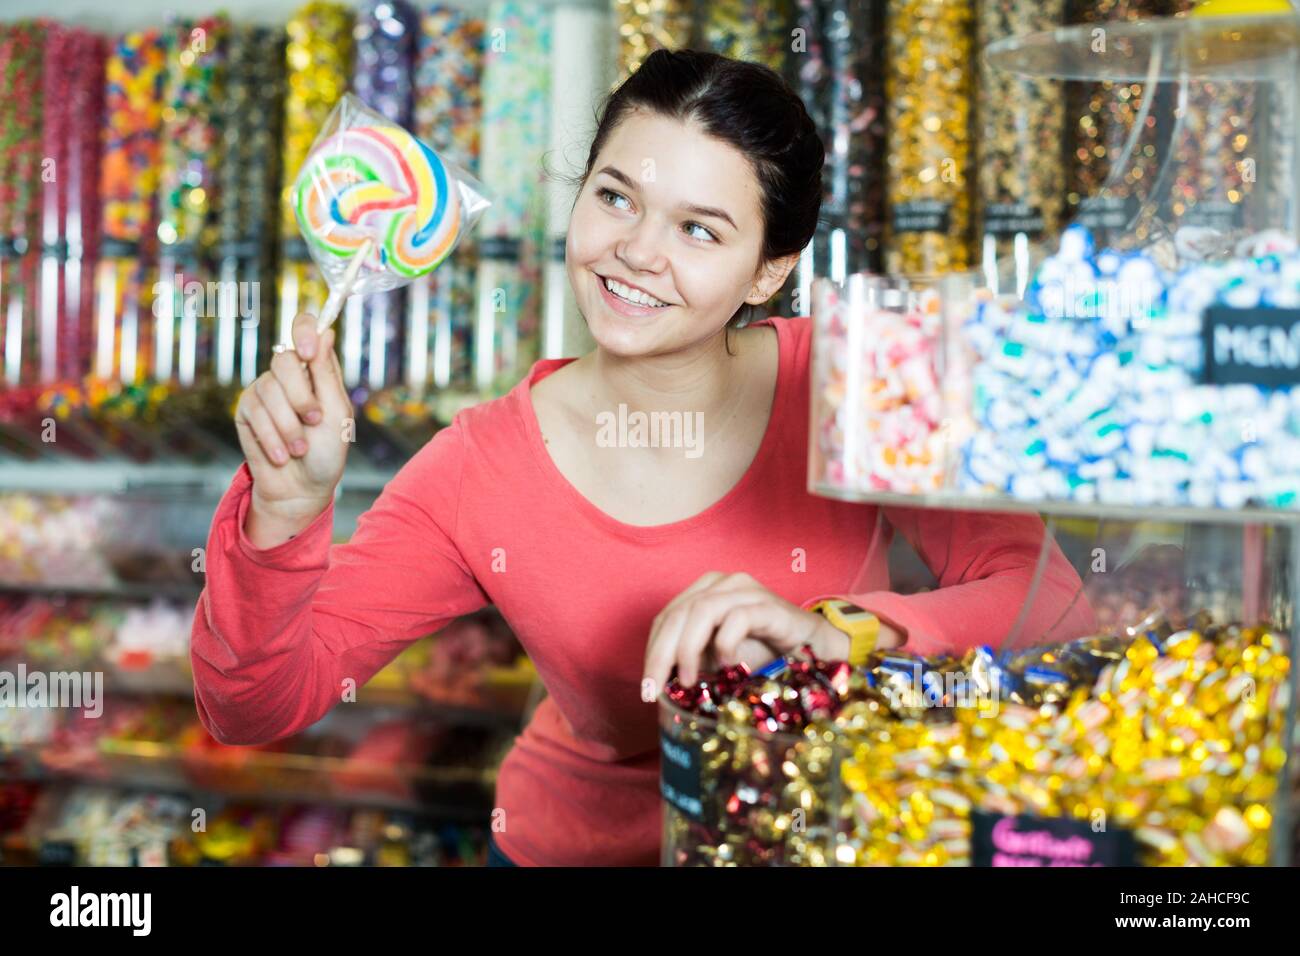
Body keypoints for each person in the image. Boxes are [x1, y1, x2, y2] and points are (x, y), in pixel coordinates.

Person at [191, 49, 1095, 867]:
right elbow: (252, 707)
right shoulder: (479, 464)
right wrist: (284, 511)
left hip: (811, 834)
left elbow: (1053, 603)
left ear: (768, 272)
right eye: (616, 197)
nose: (635, 252)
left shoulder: (852, 381)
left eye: (700, 229)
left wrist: (836, 634)